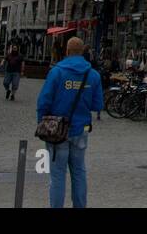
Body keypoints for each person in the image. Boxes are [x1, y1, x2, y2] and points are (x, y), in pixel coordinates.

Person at [37, 37, 104, 208]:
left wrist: (42, 124)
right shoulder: (93, 75)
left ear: (66, 51)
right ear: (83, 52)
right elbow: (98, 105)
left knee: (57, 175)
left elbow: (43, 101)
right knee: (79, 172)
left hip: (57, 131)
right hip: (81, 130)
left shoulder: (57, 72)